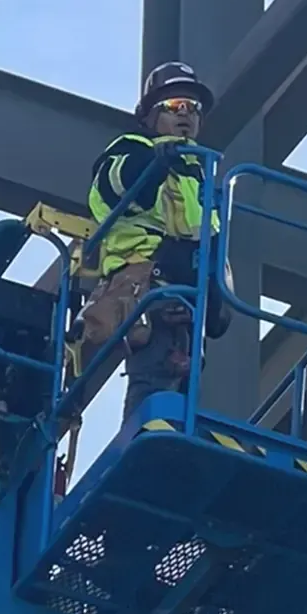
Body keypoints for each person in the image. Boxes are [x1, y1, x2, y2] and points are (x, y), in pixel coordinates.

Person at [78, 61, 230, 418]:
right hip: (145, 285)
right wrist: (149, 167)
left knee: (182, 385)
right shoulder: (131, 149)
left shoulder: (198, 178)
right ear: (149, 114)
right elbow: (111, 189)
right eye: (176, 105)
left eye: (194, 109)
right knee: (153, 376)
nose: (187, 114)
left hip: (188, 298)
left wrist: (218, 294)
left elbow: (209, 240)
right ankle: (144, 436)